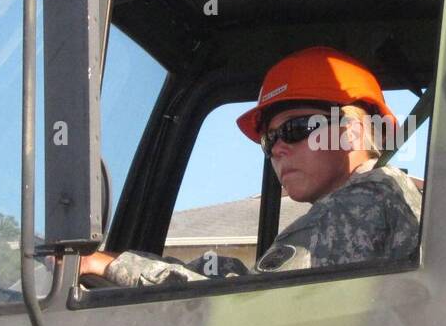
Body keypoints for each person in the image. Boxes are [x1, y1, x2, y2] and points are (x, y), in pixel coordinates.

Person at [79, 46, 423, 288]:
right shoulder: (380, 201)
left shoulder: (367, 200)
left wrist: (114, 267)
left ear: (351, 132)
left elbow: (250, 305)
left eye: (294, 129)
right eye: (268, 140)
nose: (278, 149)